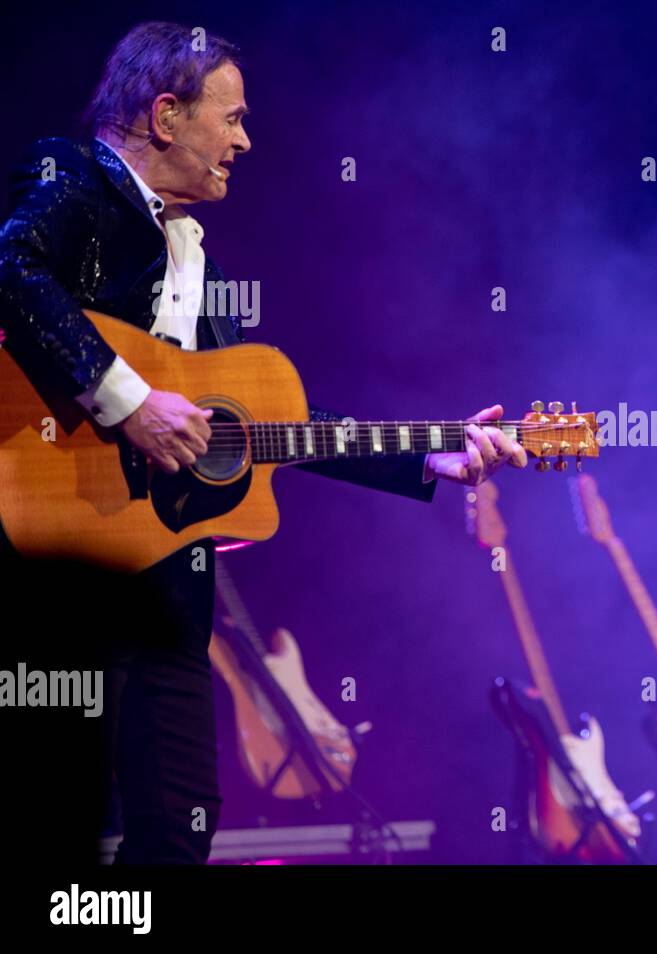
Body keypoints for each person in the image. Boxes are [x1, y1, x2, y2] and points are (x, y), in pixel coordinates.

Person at [0, 21, 526, 864]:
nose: (246, 140)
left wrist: (434, 454)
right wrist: (127, 402)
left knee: (179, 828)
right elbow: (11, 270)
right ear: (166, 116)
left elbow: (270, 429)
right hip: (53, 562)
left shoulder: (192, 252)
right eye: (232, 117)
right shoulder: (75, 179)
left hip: (166, 587)